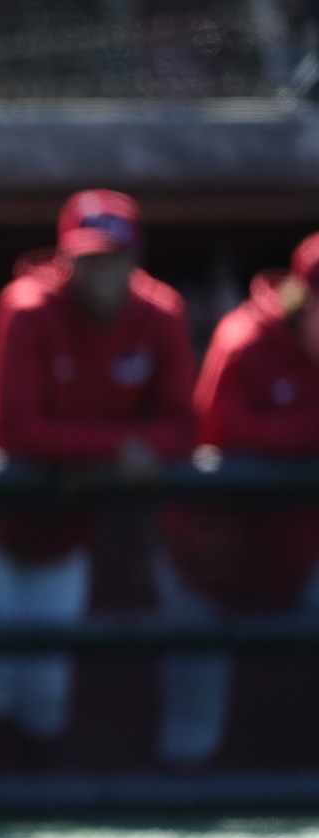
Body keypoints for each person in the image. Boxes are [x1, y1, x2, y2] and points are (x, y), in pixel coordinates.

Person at [0, 191, 196, 772]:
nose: (101, 272)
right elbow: (21, 428)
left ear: (135, 259)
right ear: (64, 256)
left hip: (64, 523)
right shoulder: (28, 306)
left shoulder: (160, 314)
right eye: (88, 257)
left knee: (47, 683)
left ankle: (37, 815)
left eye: (114, 258)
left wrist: (112, 454)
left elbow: (183, 425)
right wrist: (118, 451)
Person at [158, 232, 319, 765]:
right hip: (210, 556)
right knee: (192, 723)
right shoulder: (245, 338)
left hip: (296, 554)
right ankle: (174, 830)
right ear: (305, 300)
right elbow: (215, 431)